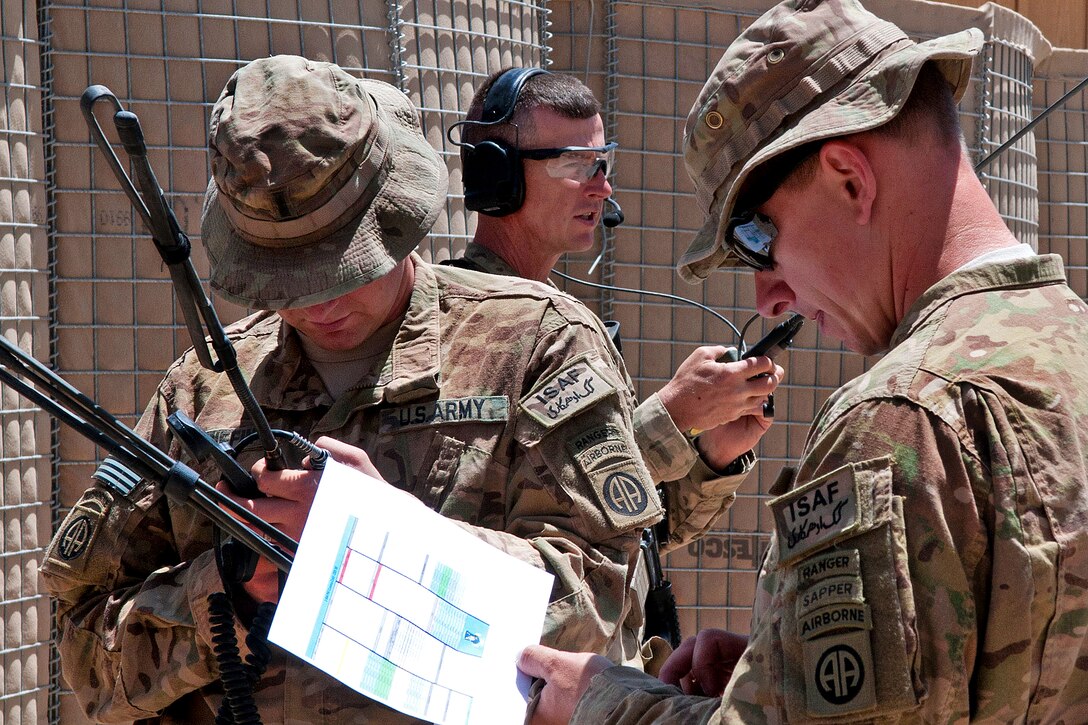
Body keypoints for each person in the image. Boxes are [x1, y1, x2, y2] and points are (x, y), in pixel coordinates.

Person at [40, 55, 665, 724]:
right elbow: (85, 655)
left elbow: (597, 610)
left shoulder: (535, 344)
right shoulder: (199, 390)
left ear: (393, 214)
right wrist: (225, 594)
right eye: (286, 277)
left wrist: (385, 537)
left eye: (341, 265)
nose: (317, 301)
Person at [518, 0, 1088, 722]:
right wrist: (778, 665)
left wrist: (603, 703)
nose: (770, 295)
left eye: (759, 237)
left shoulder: (901, 418)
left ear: (851, 178)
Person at [448, 68, 784, 556]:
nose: (602, 188)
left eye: (602, 162)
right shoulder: (455, 331)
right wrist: (673, 415)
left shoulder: (560, 325)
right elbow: (524, 537)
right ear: (496, 176)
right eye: (575, 164)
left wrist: (712, 455)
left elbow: (624, 537)